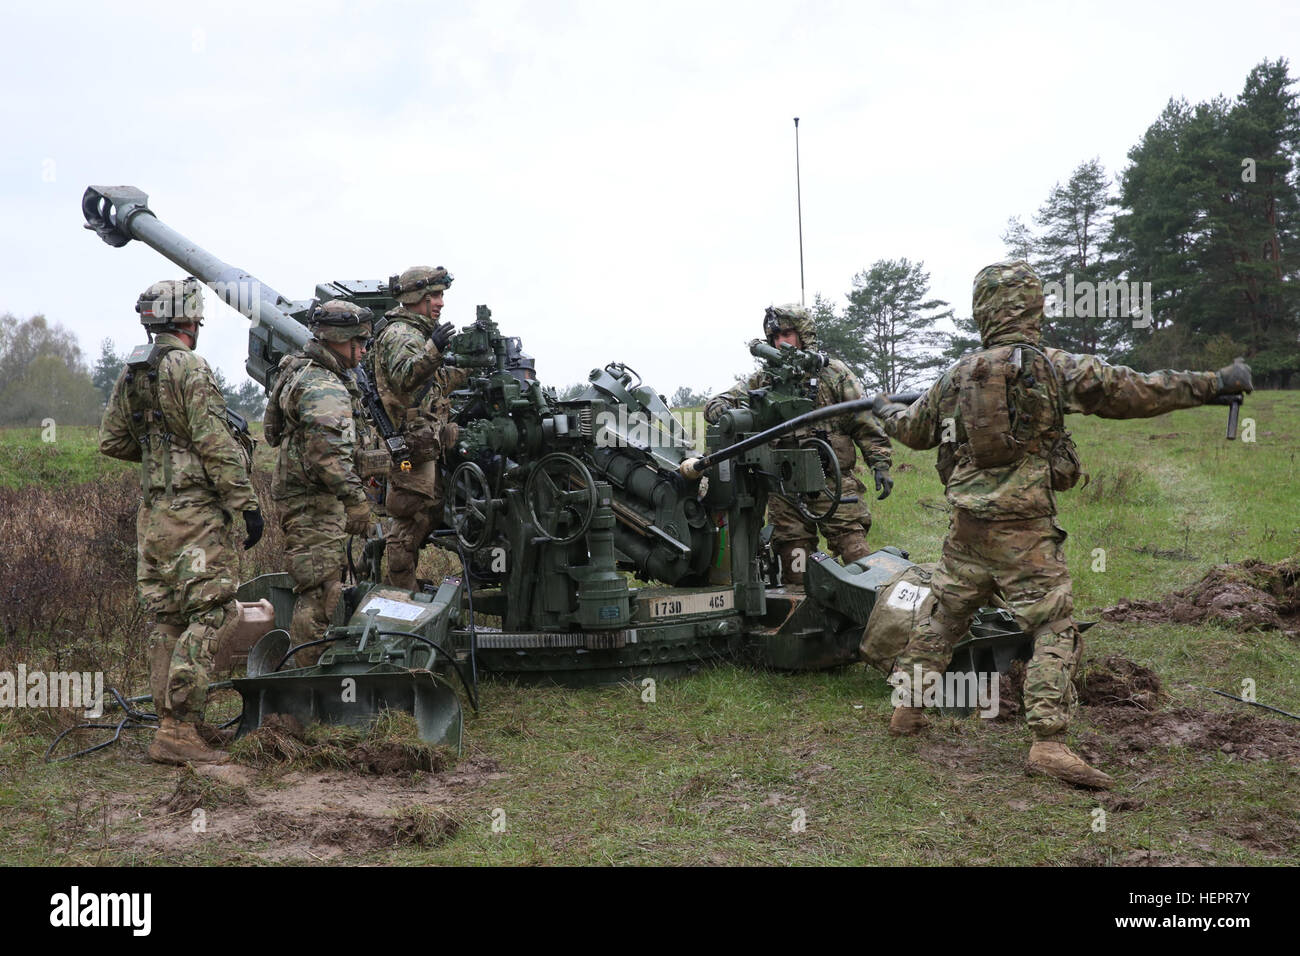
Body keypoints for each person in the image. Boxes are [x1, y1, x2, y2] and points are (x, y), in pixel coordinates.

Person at [871, 259, 1254, 789]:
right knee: (1052, 625)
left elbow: (913, 432)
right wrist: (1215, 383)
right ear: (1033, 306)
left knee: (944, 612)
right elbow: (1133, 390)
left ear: (983, 310)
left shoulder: (958, 373)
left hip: (966, 525)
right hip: (1025, 529)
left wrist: (886, 408)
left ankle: (907, 712)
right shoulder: (1054, 366)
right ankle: (1048, 742)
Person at [100, 278, 263, 765]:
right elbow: (214, 440)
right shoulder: (189, 367)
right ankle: (179, 728)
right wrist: (246, 503)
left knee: (168, 618)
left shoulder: (133, 372)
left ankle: (171, 729)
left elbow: (113, 441)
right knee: (214, 611)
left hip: (154, 517)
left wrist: (161, 457)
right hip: (194, 517)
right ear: (191, 320)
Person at [704, 303, 893, 586]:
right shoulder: (763, 380)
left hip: (832, 484)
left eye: (787, 334)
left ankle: (877, 607)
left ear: (804, 335)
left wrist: (880, 463)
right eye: (775, 337)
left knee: (856, 553)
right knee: (795, 565)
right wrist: (719, 409)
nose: (781, 342)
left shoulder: (834, 375)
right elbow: (719, 403)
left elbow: (864, 421)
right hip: (785, 491)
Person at [264, 300, 373, 664]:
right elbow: (328, 455)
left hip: (310, 497)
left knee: (325, 581)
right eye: (359, 339)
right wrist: (356, 500)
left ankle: (312, 667)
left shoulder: (304, 371)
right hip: (313, 501)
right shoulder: (324, 386)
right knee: (321, 589)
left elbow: (271, 431)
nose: (364, 347)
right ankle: (305, 676)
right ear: (340, 339)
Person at [370, 266, 469, 590]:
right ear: (416, 298)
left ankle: (402, 582)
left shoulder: (419, 332)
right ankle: (399, 589)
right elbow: (405, 377)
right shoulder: (402, 334)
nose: (440, 303)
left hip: (424, 441)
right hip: (408, 444)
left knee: (428, 511)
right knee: (411, 515)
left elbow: (433, 382)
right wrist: (434, 349)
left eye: (441, 295)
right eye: (434, 296)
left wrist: (467, 367)